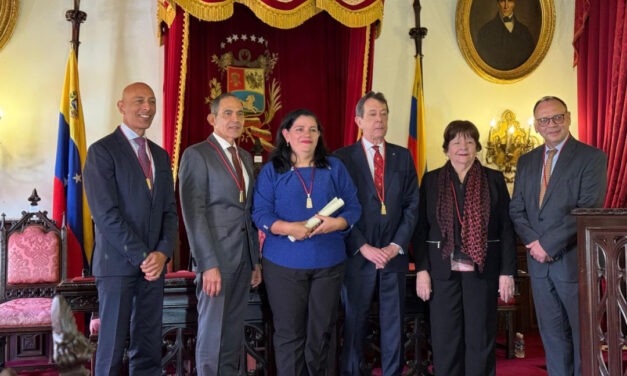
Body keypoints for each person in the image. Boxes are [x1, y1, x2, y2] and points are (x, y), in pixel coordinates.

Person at [252, 108, 361, 375]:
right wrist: (288, 227)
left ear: (319, 135)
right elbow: (260, 213)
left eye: (313, 129)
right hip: (283, 266)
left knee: (322, 331)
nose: (307, 135)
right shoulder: (271, 171)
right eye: (299, 129)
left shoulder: (334, 167)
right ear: (286, 135)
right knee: (290, 333)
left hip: (328, 264)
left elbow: (353, 207)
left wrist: (338, 223)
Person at [83, 82, 178, 375]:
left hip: (154, 267)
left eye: (151, 101)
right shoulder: (102, 152)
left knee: (148, 345)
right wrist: (143, 256)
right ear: (121, 106)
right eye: (139, 101)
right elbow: (105, 214)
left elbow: (170, 212)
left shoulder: (160, 155)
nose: (147, 107)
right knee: (111, 345)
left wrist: (162, 254)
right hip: (118, 265)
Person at [510, 96, 607, 375]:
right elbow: (516, 208)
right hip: (539, 265)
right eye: (544, 120)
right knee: (552, 338)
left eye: (557, 117)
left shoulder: (591, 157)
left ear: (568, 117)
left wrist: (548, 244)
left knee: (582, 339)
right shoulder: (526, 161)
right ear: (536, 126)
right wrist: (533, 243)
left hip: (573, 263)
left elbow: (588, 208)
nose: (551, 124)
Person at [413, 120, 516, 376]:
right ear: (446, 148)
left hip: (482, 270)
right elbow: (420, 228)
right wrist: (422, 270)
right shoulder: (432, 180)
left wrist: (507, 272)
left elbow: (506, 228)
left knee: (480, 336)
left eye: (469, 141)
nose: (463, 147)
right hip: (441, 270)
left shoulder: (493, 179)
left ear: (477, 147)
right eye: (456, 141)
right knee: (445, 337)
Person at [335, 92, 419, 376]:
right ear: (359, 120)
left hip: (393, 256)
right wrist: (363, 246)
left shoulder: (403, 156)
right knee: (354, 323)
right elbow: (338, 209)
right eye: (372, 114)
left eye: (383, 113)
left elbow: (412, 205)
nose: (379, 119)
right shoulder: (342, 158)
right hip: (358, 257)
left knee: (394, 325)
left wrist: (396, 245)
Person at [178, 92, 262, 376]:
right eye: (228, 113)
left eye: (240, 114)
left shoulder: (247, 157)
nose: (235, 119)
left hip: (242, 260)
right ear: (212, 119)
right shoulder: (197, 154)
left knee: (232, 334)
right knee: (212, 334)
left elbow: (247, 212)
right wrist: (207, 264)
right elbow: (194, 213)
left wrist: (255, 261)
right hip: (215, 260)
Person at [475, 0, 535, 70]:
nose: (506, 6)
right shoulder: (485, 32)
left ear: (515, 3)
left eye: (510, 1)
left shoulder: (525, 33)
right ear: (497, 3)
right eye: (502, 1)